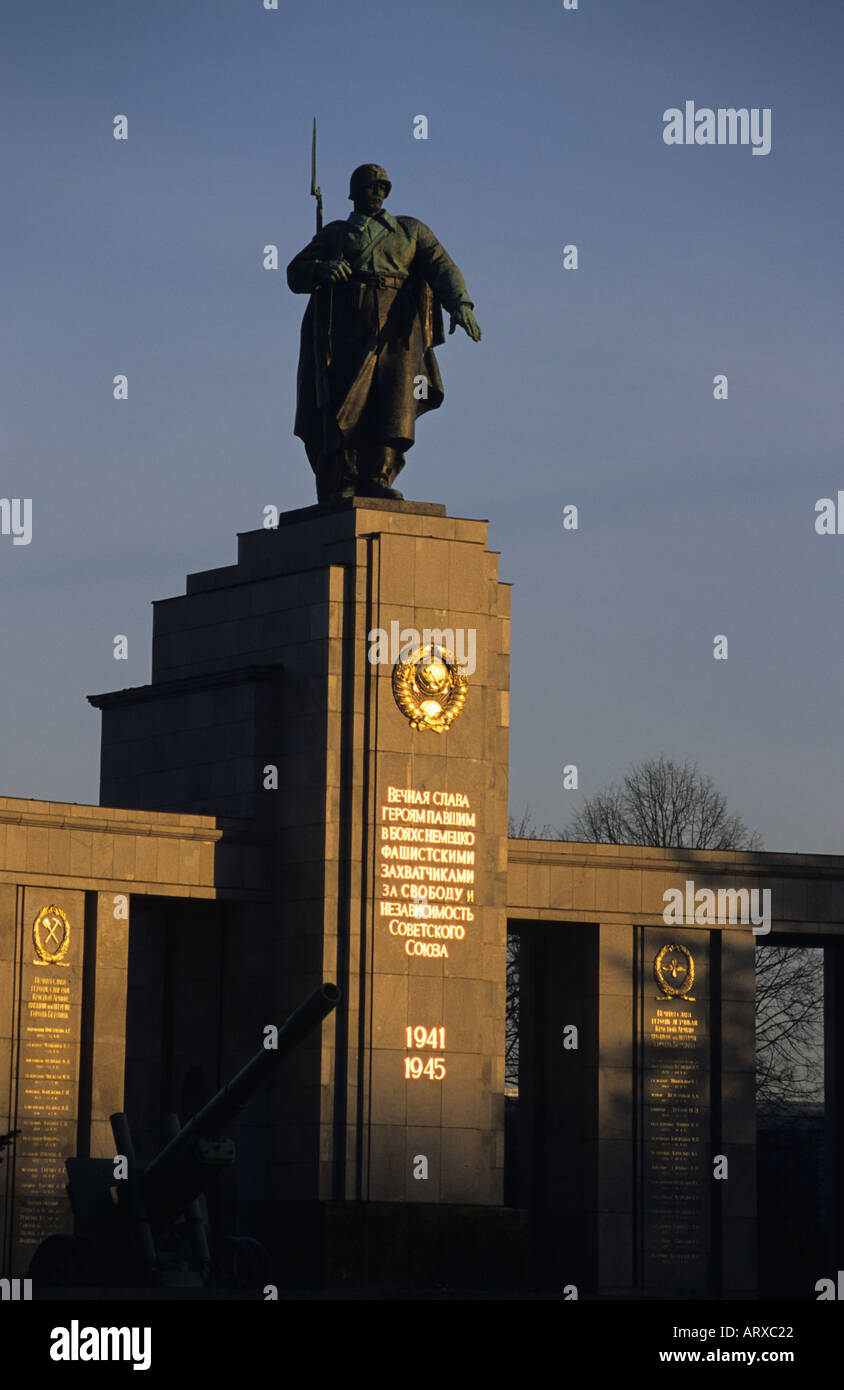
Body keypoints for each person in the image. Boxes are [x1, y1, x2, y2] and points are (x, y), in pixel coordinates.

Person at [287, 164, 481, 502]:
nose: (376, 193)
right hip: (348, 326)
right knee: (345, 404)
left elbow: (441, 265)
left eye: (382, 188)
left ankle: (379, 476)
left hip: (397, 328)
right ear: (354, 194)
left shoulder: (409, 231)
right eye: (369, 188)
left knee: (393, 403)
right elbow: (295, 273)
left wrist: (460, 303)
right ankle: (343, 479)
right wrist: (322, 268)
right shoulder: (337, 233)